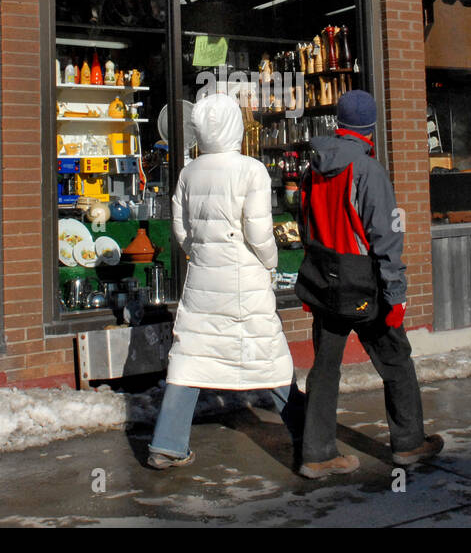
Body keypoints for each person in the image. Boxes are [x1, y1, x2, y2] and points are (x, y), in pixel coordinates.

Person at [148, 92, 304, 469]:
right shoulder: (251, 170)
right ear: (234, 125)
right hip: (245, 277)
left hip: (202, 277)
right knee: (270, 356)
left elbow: (181, 229)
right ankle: (308, 435)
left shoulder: (189, 171)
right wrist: (269, 261)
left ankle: (167, 443)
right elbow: (258, 231)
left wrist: (200, 253)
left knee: (190, 357)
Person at [297, 89, 443, 479]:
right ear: (371, 128)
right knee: (396, 361)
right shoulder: (368, 170)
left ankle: (317, 454)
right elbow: (386, 238)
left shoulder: (314, 168)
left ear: (339, 123)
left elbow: (304, 227)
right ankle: (409, 444)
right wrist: (395, 296)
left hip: (324, 282)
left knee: (324, 369)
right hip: (363, 284)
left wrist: (313, 279)